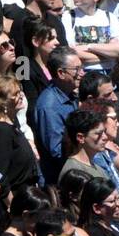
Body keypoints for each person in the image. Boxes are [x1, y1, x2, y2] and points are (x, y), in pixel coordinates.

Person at [0, 76, 39, 195]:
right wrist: (10, 203)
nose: (21, 96)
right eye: (15, 94)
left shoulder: (12, 122)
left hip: (26, 192)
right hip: (13, 200)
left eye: (20, 92)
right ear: (2, 102)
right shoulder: (0, 131)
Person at [34, 47, 83, 183]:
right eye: (76, 69)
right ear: (61, 73)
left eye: (81, 67)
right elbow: (57, 151)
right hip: (60, 179)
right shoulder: (49, 107)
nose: (81, 73)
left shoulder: (71, 95)